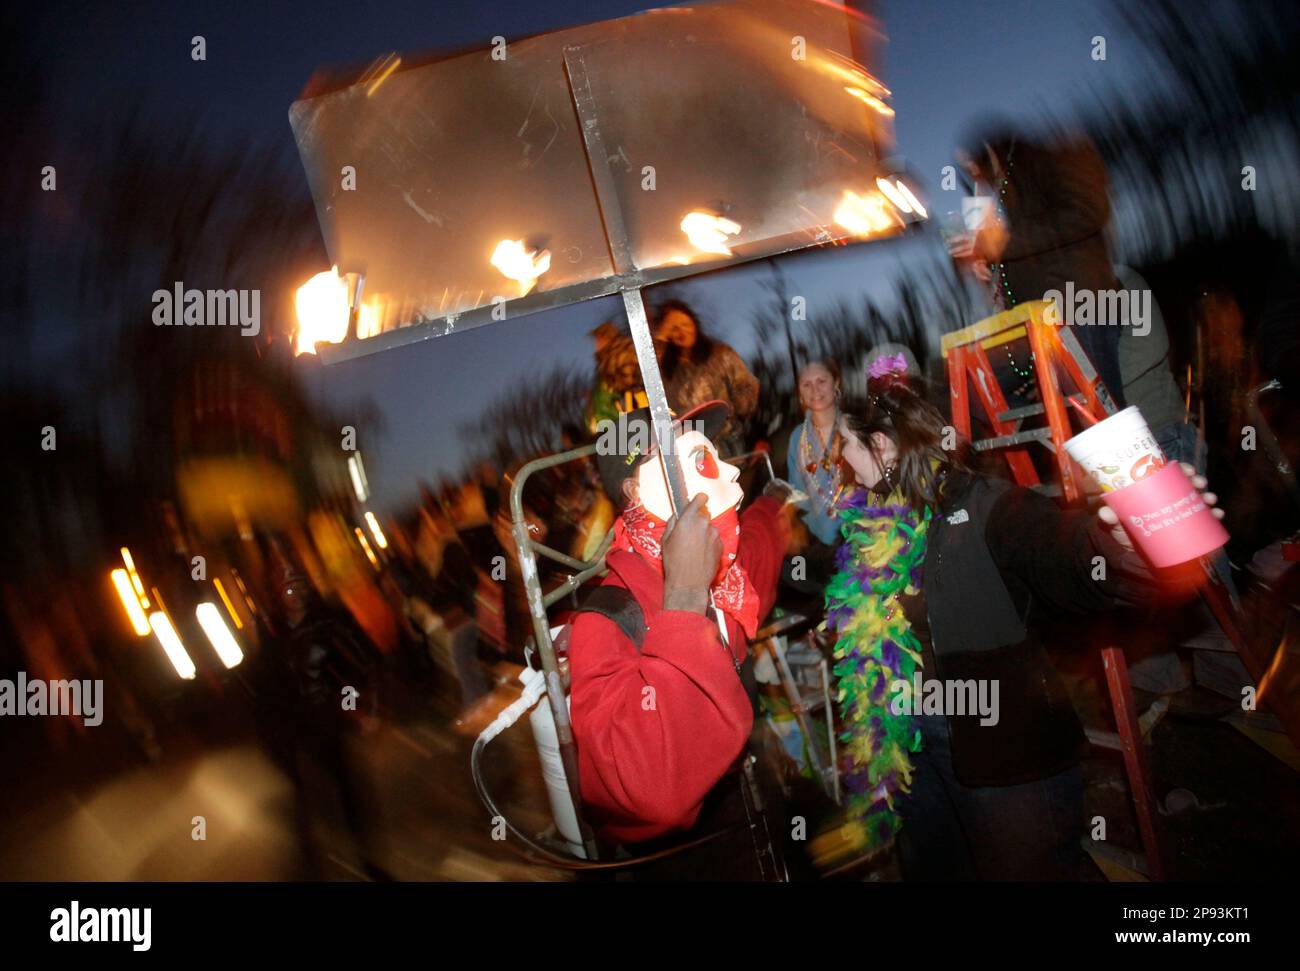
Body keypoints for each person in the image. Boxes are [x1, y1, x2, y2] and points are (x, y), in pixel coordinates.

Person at [825, 359, 1220, 880]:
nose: (845, 463)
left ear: (885, 445)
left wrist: (1123, 546)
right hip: (912, 749)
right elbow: (831, 587)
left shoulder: (988, 507)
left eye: (850, 446)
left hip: (1002, 758)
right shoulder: (866, 522)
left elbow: (1062, 554)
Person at [568, 401, 792, 877]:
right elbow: (646, 792)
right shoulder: (605, 620)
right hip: (695, 856)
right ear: (635, 489)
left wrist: (773, 501)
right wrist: (685, 596)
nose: (724, 470)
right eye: (691, 457)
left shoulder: (726, 572)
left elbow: (757, 548)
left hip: (758, 806)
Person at [949, 122, 1127, 408]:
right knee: (976, 386)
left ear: (991, 152)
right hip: (1033, 323)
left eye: (976, 167)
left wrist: (1004, 244)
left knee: (1097, 412)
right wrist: (989, 267)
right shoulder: (1012, 195)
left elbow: (1087, 211)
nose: (978, 179)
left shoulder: (1056, 157)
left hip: (1077, 306)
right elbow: (1025, 252)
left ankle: (1129, 450)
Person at [653, 300, 760, 457]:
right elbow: (643, 379)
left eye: (685, 323)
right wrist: (660, 338)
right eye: (674, 328)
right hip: (692, 450)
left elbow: (748, 387)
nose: (682, 331)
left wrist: (730, 413)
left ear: (693, 322)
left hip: (730, 444)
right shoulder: (666, 372)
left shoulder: (720, 354)